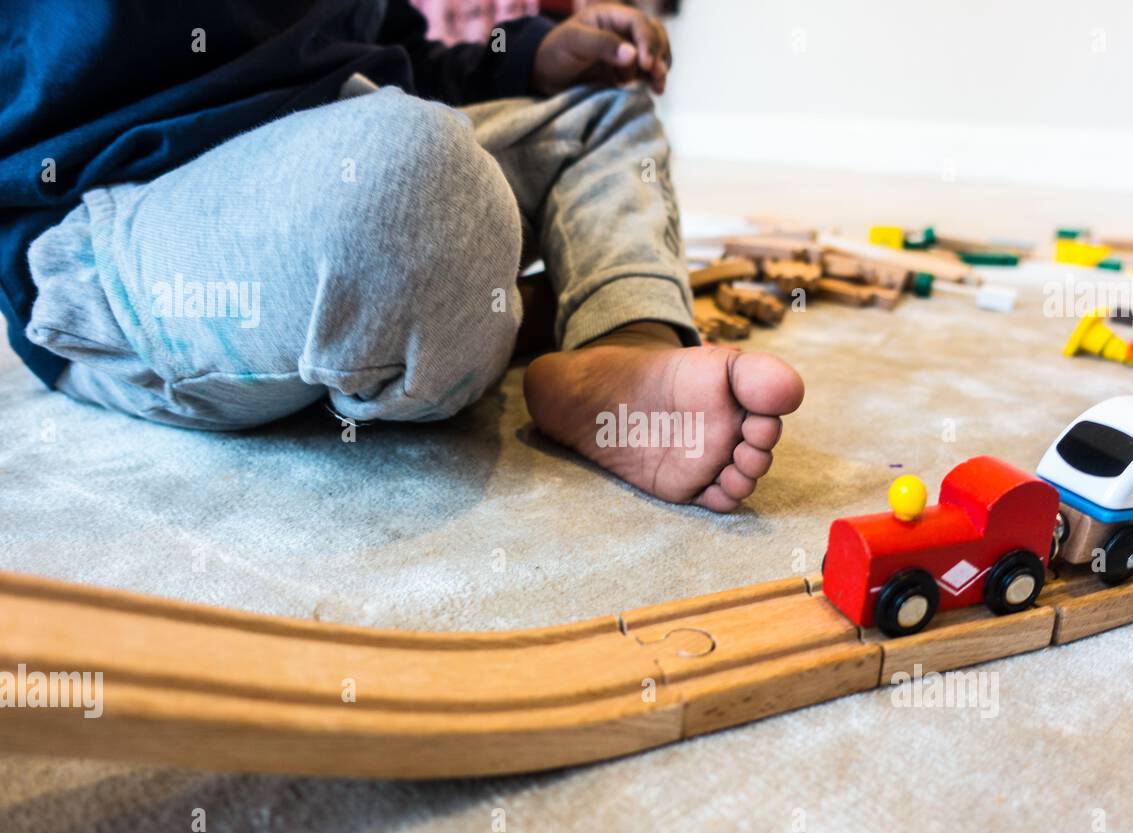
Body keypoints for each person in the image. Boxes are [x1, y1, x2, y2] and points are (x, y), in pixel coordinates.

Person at [0, 1, 803, 512]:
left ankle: (622, 347)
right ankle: (459, 303)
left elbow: (399, 60)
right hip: (125, 220)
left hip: (345, 138)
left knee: (601, 110)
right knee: (409, 175)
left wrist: (529, 55)